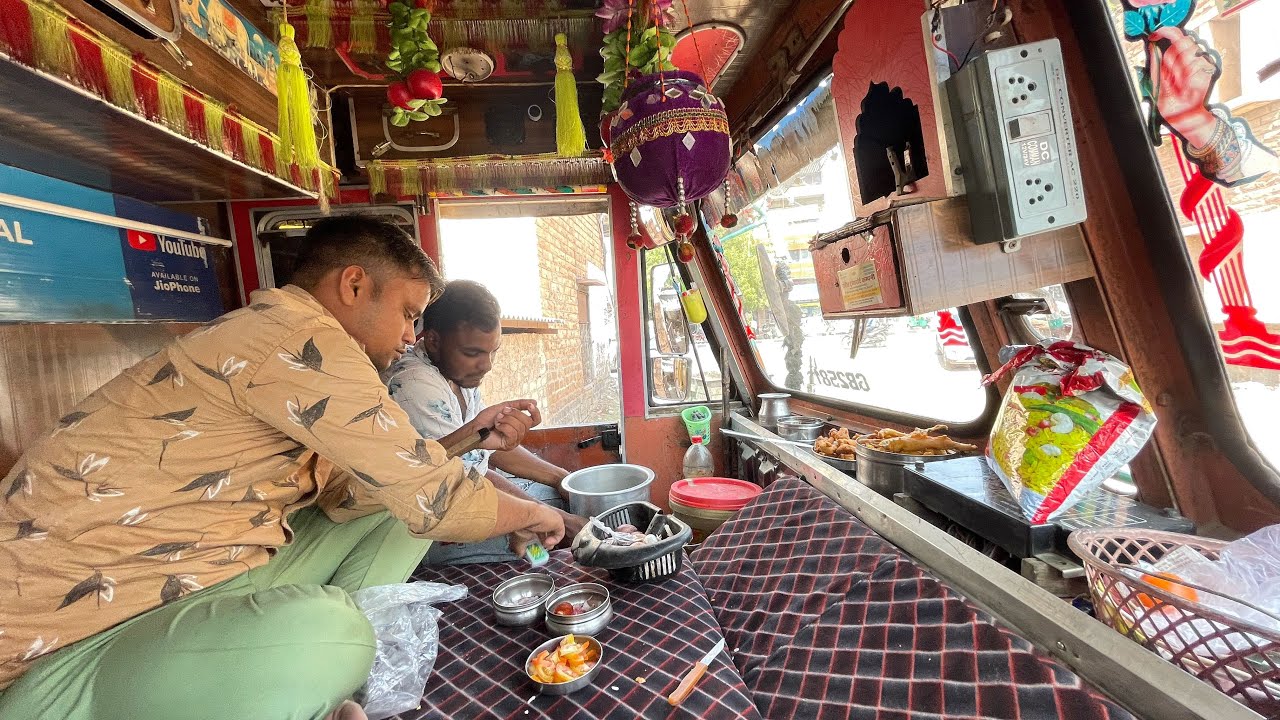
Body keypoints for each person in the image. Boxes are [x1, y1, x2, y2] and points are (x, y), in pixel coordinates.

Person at [0, 215, 565, 720]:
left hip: (195, 579)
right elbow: (440, 501)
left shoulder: (295, 342)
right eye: (408, 314)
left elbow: (354, 497)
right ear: (353, 285)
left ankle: (308, 673)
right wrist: (533, 513)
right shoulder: (298, 339)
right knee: (336, 634)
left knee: (391, 514)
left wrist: (481, 458)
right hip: (75, 650)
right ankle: (320, 660)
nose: (410, 337)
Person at [385, 280, 587, 565]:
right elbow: (465, 476)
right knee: (542, 546)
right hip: (430, 525)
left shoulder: (459, 374)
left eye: (493, 352)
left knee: (555, 500)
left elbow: (485, 449)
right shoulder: (415, 385)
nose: (487, 365)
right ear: (432, 340)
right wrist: (553, 520)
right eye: (474, 353)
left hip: (473, 492)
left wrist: (561, 479)